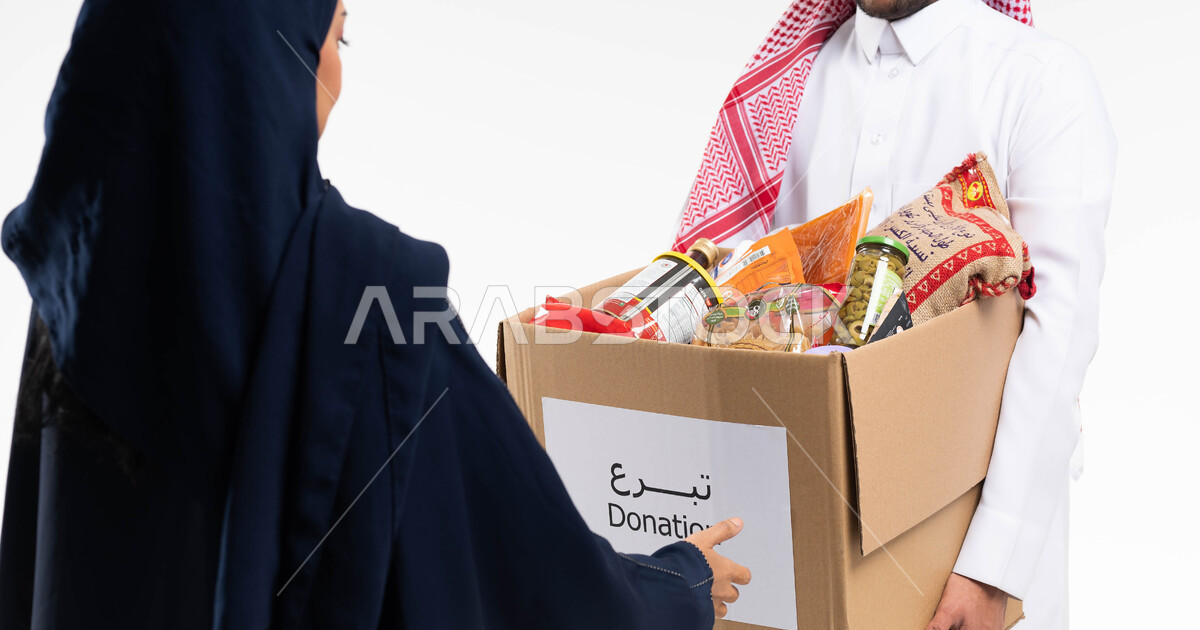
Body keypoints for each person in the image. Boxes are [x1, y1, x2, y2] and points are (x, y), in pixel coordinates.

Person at [0, 1, 751, 628]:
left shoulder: (67, 303)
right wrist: (680, 584)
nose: (335, 71)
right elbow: (541, 577)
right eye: (335, 36)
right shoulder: (371, 294)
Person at [671, 0, 1116, 629]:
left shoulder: (1038, 78)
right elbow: (729, 298)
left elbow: (1057, 336)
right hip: (811, 524)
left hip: (974, 551)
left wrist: (991, 571)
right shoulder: (792, 82)